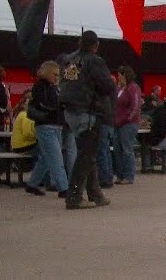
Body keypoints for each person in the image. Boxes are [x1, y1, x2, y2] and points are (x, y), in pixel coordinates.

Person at [58, 31, 115, 210]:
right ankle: (74, 196)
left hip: (70, 112)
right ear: (95, 45)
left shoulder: (68, 60)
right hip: (88, 112)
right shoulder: (94, 60)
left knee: (86, 153)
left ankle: (95, 193)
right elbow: (106, 86)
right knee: (86, 155)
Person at [24, 61, 69, 198]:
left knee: (45, 158)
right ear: (47, 72)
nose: (56, 77)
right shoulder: (39, 87)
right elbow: (45, 103)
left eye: (58, 75)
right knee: (56, 158)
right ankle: (64, 188)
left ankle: (32, 184)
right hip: (46, 126)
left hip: (56, 126)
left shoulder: (54, 88)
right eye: (54, 74)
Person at [114, 66, 142, 185]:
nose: (118, 77)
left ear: (125, 75)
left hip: (129, 124)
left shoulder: (133, 88)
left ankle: (129, 175)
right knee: (117, 150)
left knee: (127, 149)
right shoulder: (119, 88)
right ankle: (120, 175)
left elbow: (135, 107)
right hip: (117, 123)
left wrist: (127, 119)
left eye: (119, 74)